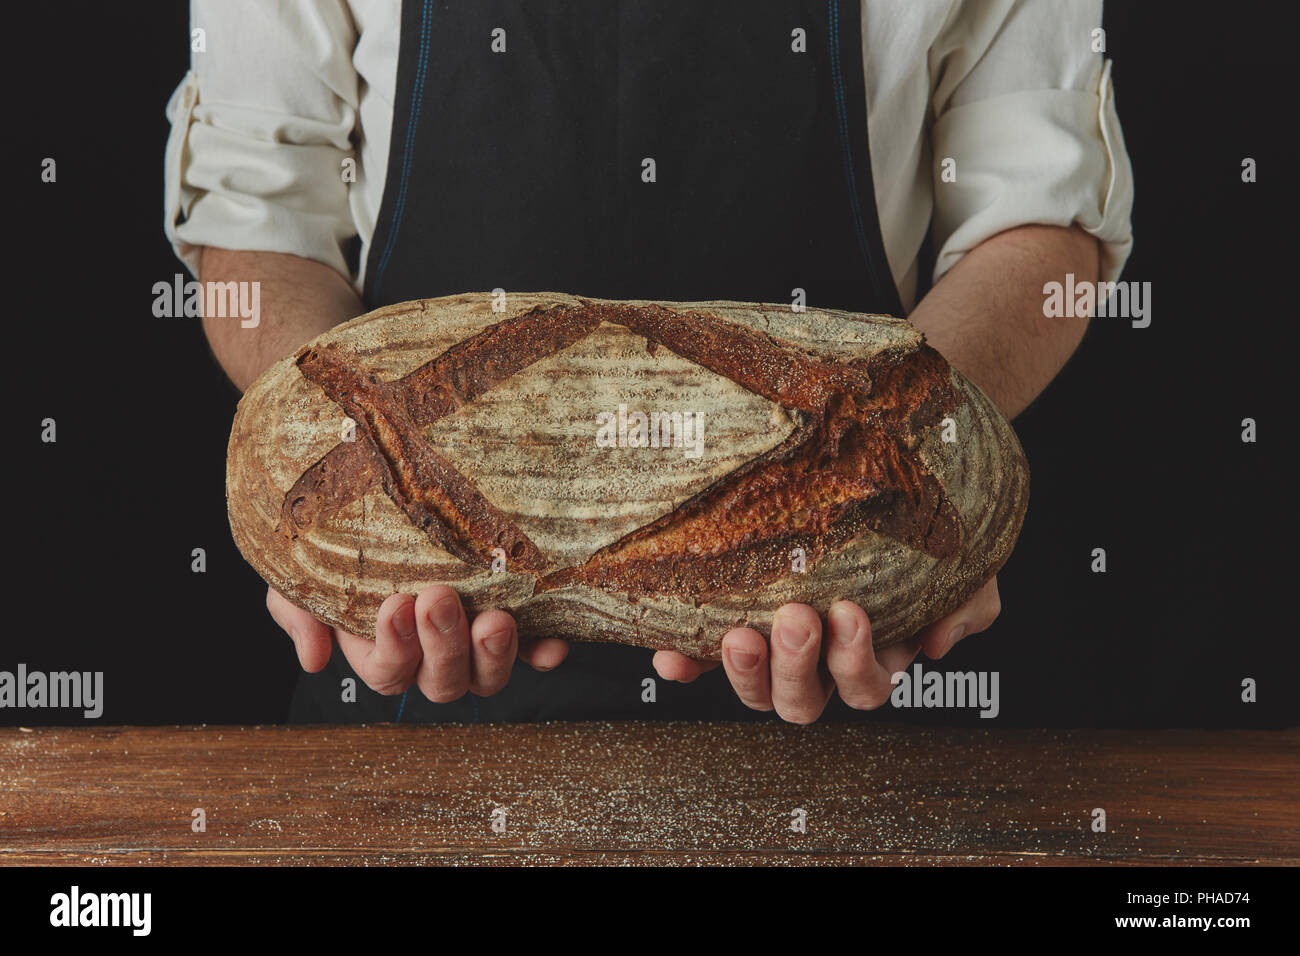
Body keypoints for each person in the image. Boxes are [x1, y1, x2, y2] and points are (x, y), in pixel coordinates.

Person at [164, 1, 1133, 725]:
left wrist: (934, 475)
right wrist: (321, 483)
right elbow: (261, 211)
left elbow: (1038, 217)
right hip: (412, 669)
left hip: (846, 664)